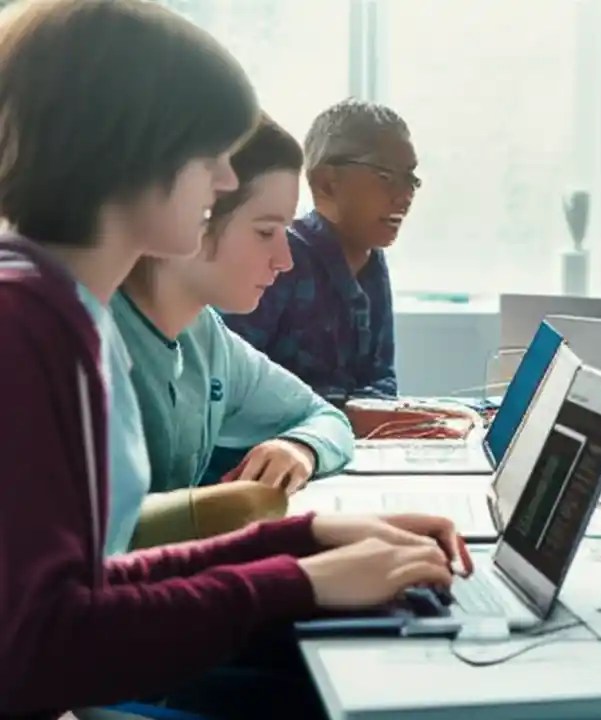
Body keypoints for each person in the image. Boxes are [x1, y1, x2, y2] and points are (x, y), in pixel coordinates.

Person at [0, 2, 465, 715]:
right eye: (210, 155)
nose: (224, 180)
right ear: (132, 149)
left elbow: (87, 583)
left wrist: (306, 537)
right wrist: (301, 580)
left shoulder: (58, 310)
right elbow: (45, 647)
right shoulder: (25, 325)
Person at [115, 116, 355, 551]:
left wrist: (300, 448)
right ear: (191, 214)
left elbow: (326, 418)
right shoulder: (86, 338)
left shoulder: (204, 335)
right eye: (266, 232)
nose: (285, 259)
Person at [222, 99, 417, 404]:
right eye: (386, 177)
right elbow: (233, 382)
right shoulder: (280, 259)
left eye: (411, 179)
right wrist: (350, 415)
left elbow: (381, 377)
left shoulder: (374, 262)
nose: (405, 196)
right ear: (326, 183)